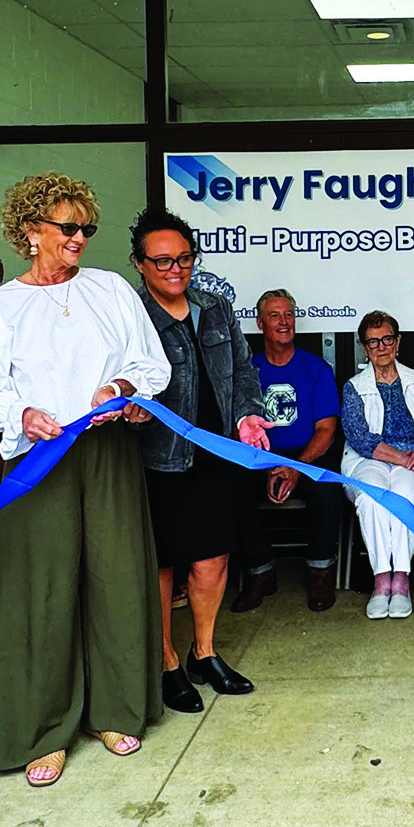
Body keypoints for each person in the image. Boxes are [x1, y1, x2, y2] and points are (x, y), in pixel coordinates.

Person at [0, 172, 169, 786]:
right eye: (67, 227)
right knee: (42, 586)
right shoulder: (2, 305)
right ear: (31, 233)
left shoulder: (110, 290)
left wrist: (125, 389)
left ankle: (115, 708)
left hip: (107, 451)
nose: (79, 238)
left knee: (116, 574)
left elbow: (148, 362)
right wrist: (20, 414)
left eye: (86, 228)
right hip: (36, 457)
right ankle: (44, 730)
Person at [132, 208, 270, 712]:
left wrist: (249, 416)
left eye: (185, 258)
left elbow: (243, 373)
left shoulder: (215, 308)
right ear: (140, 264)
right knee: (165, 564)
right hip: (159, 461)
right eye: (163, 260)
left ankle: (203, 652)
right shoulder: (130, 316)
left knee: (213, 559)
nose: (176, 269)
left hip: (218, 454)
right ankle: (167, 661)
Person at [234, 288, 343, 614]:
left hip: (306, 453)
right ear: (260, 323)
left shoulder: (316, 368)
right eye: (274, 316)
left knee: (327, 488)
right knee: (232, 488)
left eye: (289, 315)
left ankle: (320, 571)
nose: (284, 322)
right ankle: (261, 572)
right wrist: (268, 466)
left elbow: (326, 431)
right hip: (259, 455)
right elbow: (236, 427)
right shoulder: (247, 372)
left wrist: (295, 467)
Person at [340, 311, 414, 618]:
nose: (381, 347)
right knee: (374, 497)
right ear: (364, 347)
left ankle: (400, 579)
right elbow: (361, 438)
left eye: (387, 339)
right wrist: (406, 458)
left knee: (403, 495)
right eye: (373, 342)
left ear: (398, 342)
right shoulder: (354, 387)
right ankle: (381, 581)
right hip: (369, 461)